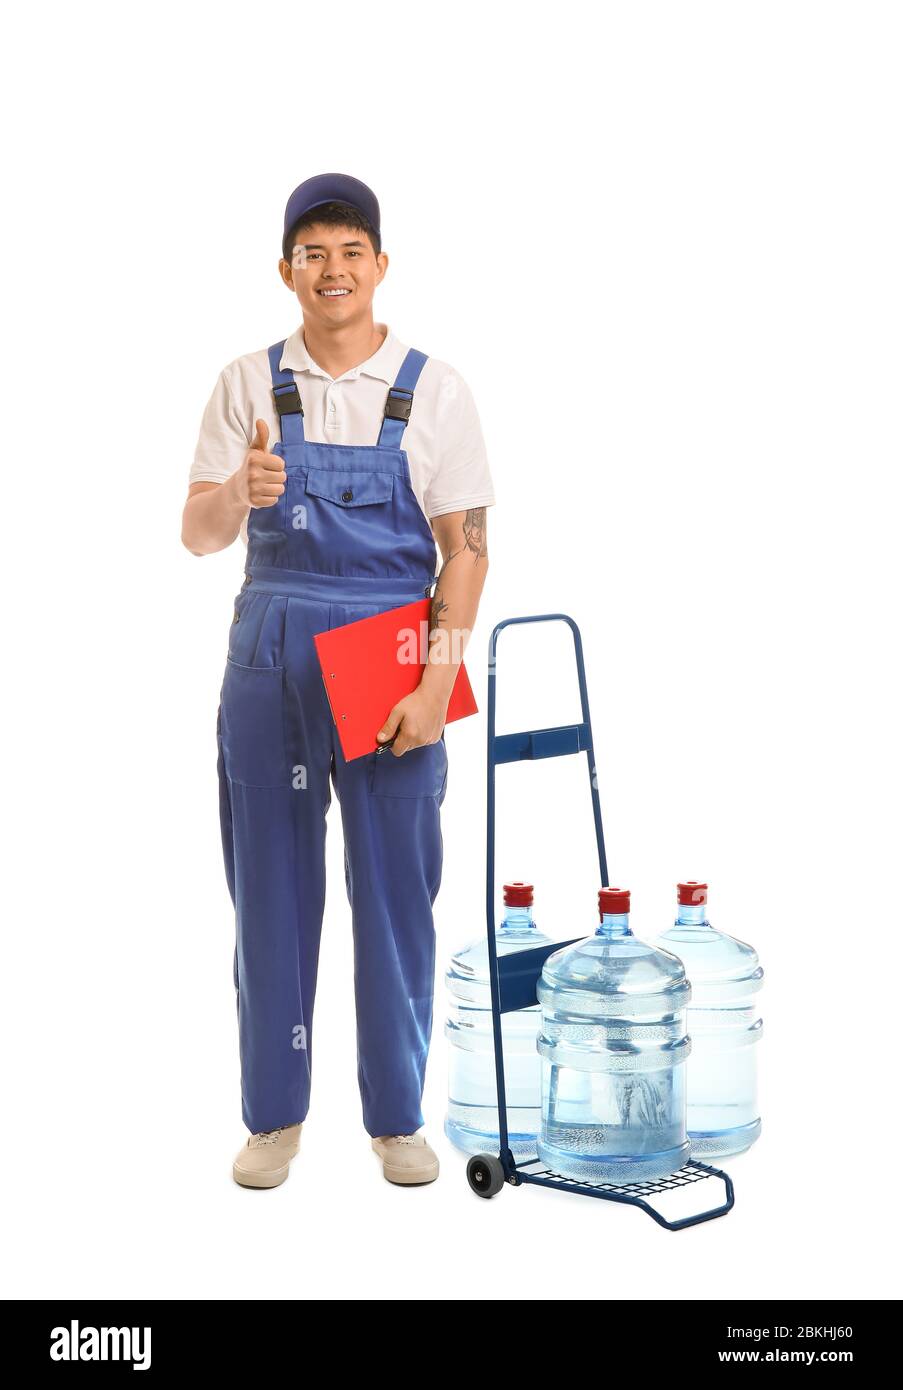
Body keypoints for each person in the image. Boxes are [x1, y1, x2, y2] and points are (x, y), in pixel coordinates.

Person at [181, 173, 494, 1188]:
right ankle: (274, 1117)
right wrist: (240, 489)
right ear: (287, 270)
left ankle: (398, 1115)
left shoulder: (433, 386)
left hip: (395, 646)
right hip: (271, 642)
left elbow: (467, 550)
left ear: (380, 266)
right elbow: (196, 533)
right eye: (312, 252)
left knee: (397, 887)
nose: (333, 269)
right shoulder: (245, 382)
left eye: (350, 250)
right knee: (269, 884)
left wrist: (430, 677)